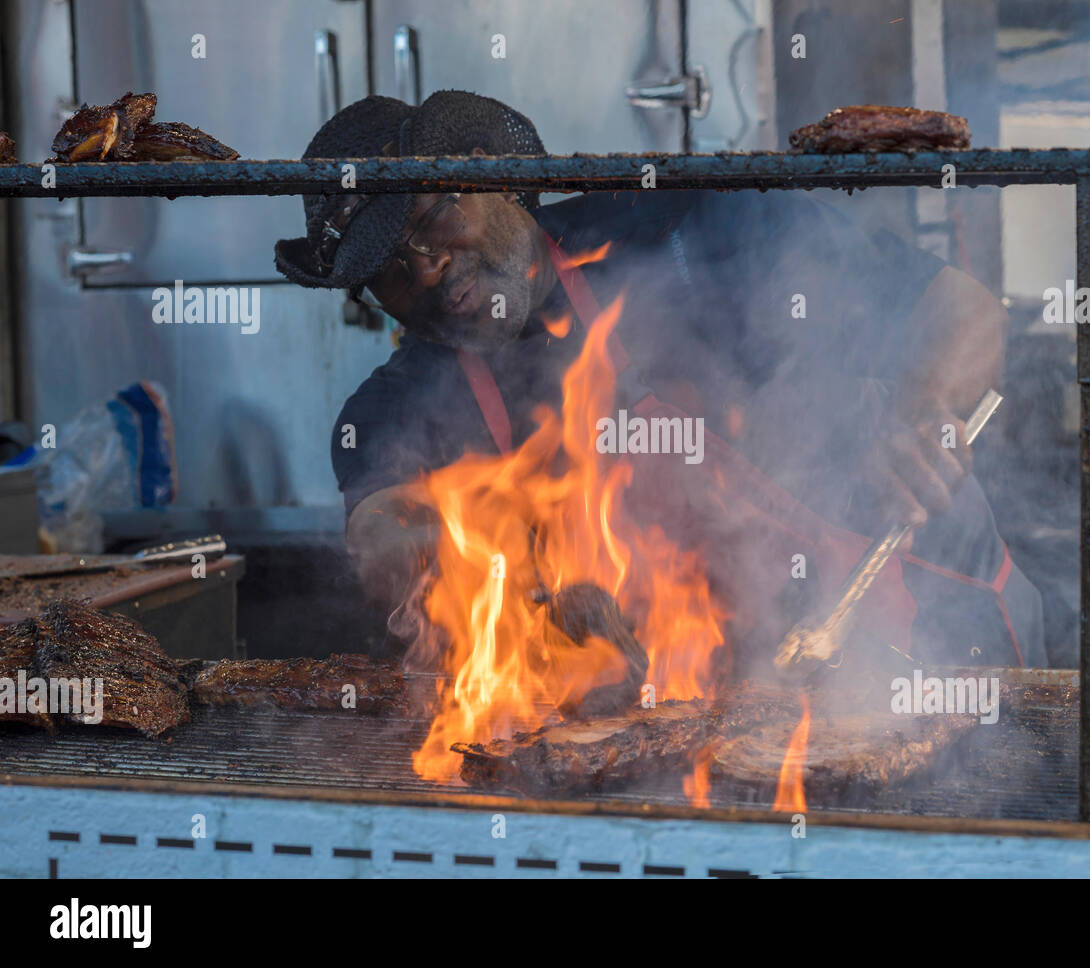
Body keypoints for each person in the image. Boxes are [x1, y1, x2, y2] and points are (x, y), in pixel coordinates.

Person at [275, 90, 1045, 674]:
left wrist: (923, 407)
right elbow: (379, 538)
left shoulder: (690, 227)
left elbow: (959, 308)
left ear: (494, 177)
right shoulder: (395, 404)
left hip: (938, 619)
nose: (427, 269)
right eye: (387, 272)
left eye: (426, 224)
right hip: (727, 689)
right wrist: (503, 560)